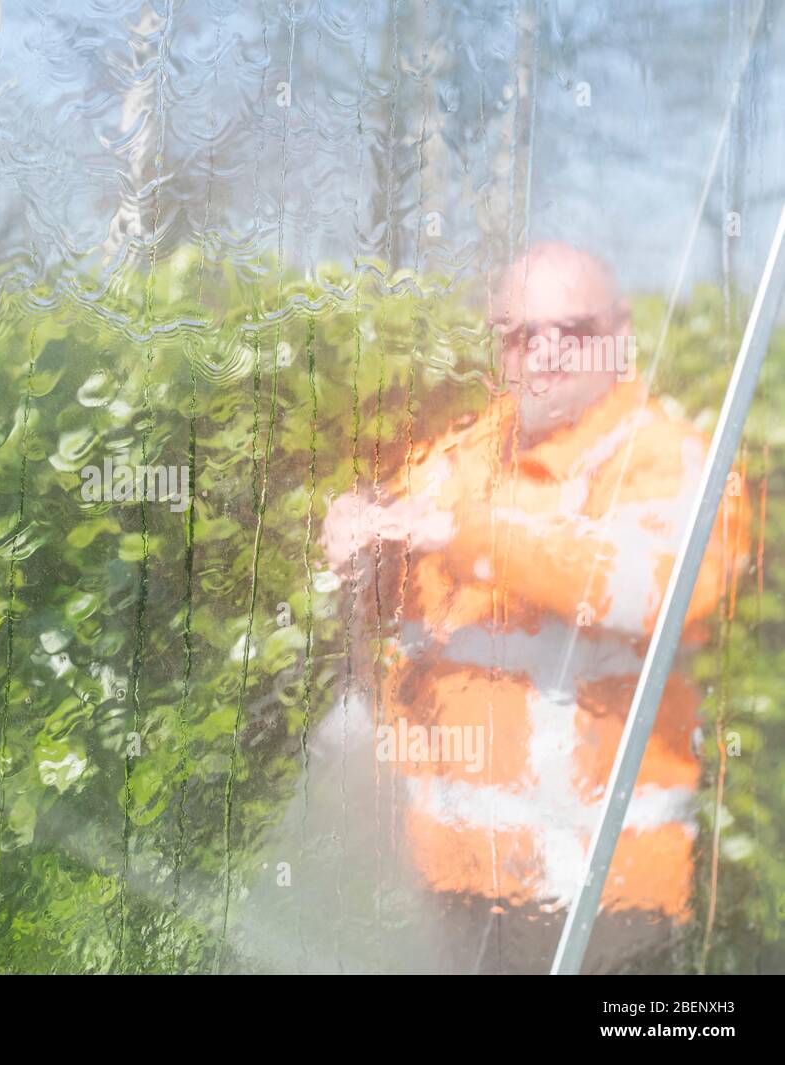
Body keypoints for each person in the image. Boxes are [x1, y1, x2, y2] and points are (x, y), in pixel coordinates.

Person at [318, 242, 748, 973]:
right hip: (454, 888)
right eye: (521, 334)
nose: (545, 352)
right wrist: (359, 543)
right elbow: (403, 642)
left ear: (619, 335)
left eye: (572, 331)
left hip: (606, 900)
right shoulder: (449, 462)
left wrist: (464, 533)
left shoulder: (674, 462)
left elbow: (665, 585)